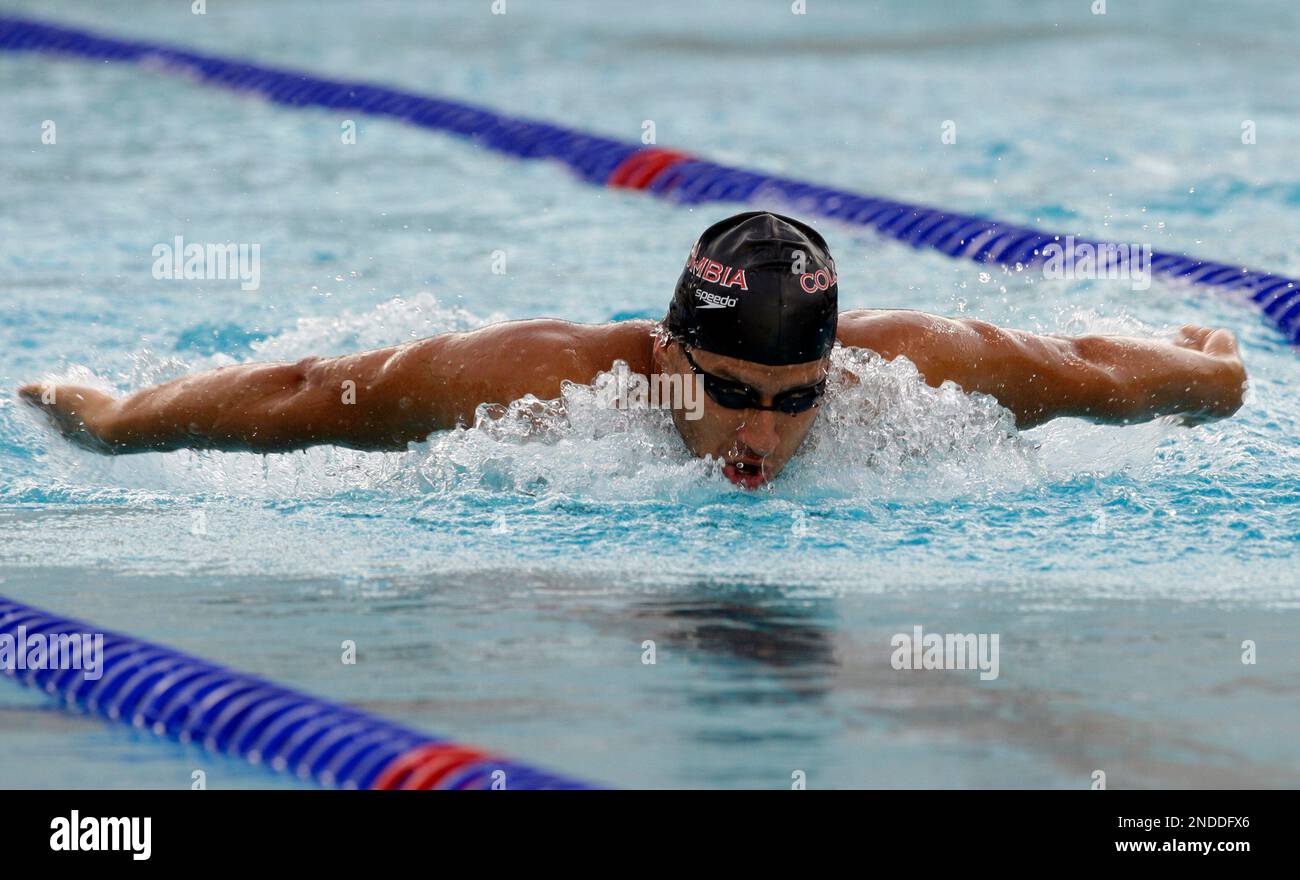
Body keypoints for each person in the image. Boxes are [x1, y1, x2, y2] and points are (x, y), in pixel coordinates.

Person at [19, 211, 1247, 489]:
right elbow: (307, 393)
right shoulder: (543, 385)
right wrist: (121, 419)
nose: (758, 437)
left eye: (792, 399)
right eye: (727, 393)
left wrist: (1207, 365)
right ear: (669, 353)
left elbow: (1089, 370)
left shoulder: (915, 373)